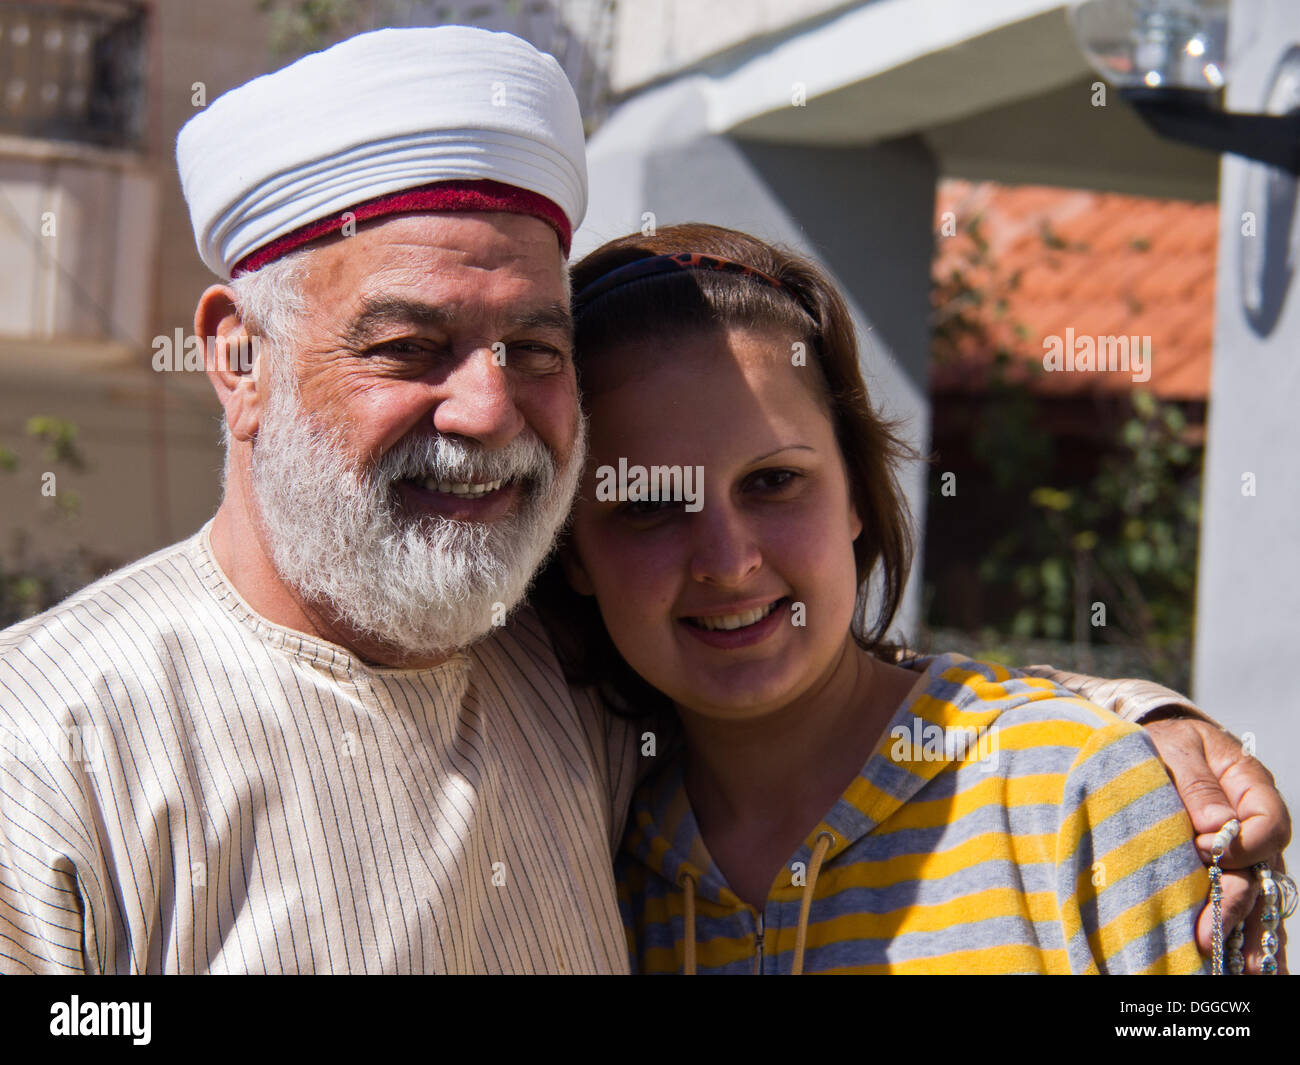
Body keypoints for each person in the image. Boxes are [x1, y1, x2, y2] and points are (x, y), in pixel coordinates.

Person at [0, 28, 1286, 974]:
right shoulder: (47, 747)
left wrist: (1131, 733)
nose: (487, 412)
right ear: (236, 356)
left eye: (535, 348)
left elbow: (821, 703)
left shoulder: (570, 704)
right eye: (406, 348)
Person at [537, 222, 1287, 973]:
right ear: (572, 549)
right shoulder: (591, 872)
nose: (729, 562)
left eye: (773, 482)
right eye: (649, 504)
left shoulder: (1078, 796)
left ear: (859, 493)